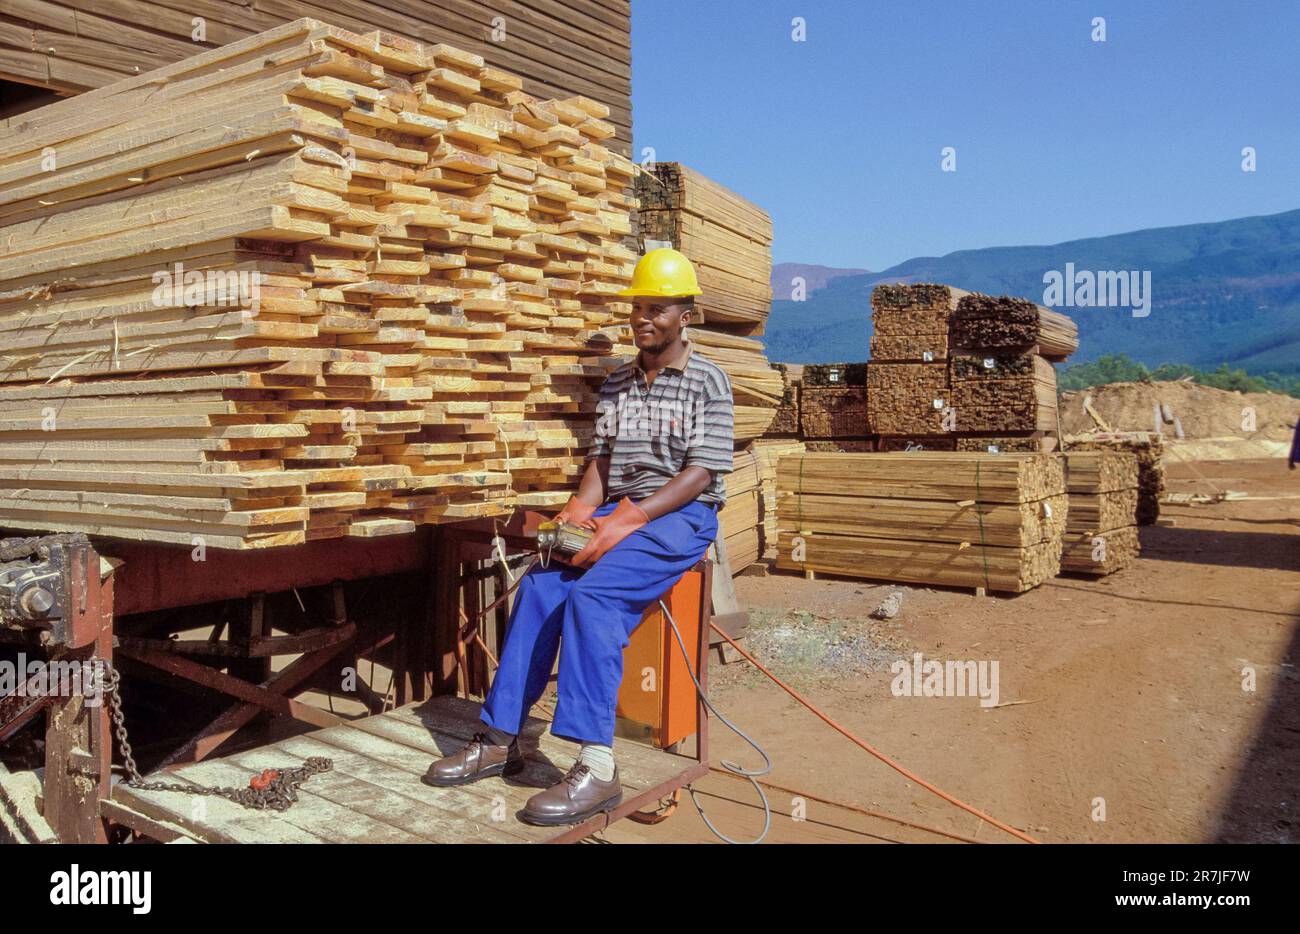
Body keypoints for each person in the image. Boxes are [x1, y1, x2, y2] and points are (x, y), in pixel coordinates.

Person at [423, 248, 735, 825]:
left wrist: (628, 521)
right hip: (621, 508)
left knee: (596, 597)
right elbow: (602, 460)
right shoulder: (619, 380)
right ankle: (501, 739)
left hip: (681, 516)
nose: (644, 318)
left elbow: (702, 473)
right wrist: (576, 515)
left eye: (658, 308)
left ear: (685, 315)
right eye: (638, 307)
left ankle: (598, 767)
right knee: (541, 589)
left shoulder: (708, 381)